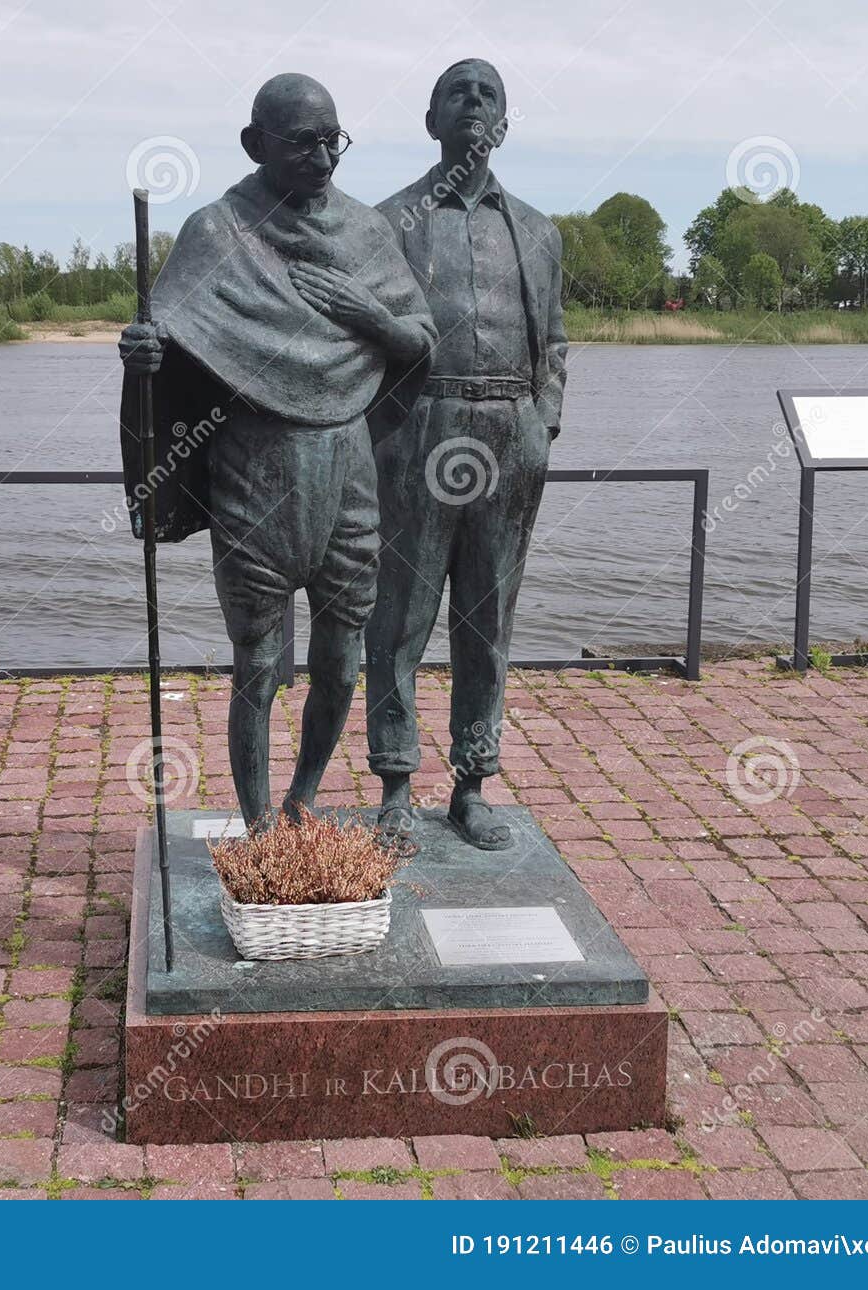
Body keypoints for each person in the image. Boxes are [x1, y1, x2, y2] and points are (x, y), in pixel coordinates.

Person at [118, 72, 435, 829]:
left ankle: (305, 797)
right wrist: (145, 359)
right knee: (258, 660)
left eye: (334, 140)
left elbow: (420, 340)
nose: (323, 157)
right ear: (256, 144)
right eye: (304, 142)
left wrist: (372, 317)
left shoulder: (365, 233)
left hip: (347, 459)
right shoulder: (217, 231)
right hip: (254, 464)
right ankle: (258, 821)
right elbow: (175, 339)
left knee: (340, 654)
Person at [367, 58, 568, 850]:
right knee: (400, 617)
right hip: (421, 429)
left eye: (490, 94)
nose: (475, 103)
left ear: (506, 123)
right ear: (431, 119)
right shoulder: (387, 222)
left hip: (510, 435)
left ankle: (473, 785)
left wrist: (541, 423)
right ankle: (392, 785)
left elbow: (553, 340)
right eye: (459, 91)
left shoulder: (539, 230)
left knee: (487, 622)